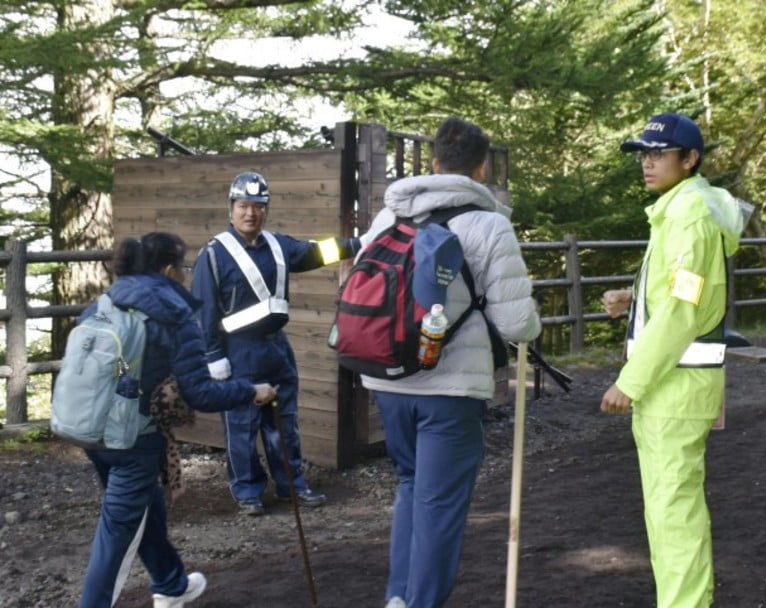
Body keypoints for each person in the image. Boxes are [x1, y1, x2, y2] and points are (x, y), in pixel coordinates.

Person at [356, 117, 541, 608]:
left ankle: (399, 598)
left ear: (434, 164)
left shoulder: (389, 217)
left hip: (389, 379)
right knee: (439, 505)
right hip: (451, 389)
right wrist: (532, 320)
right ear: (481, 168)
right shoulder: (490, 225)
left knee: (410, 486)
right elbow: (517, 324)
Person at [78, 232, 277, 608]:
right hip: (131, 438)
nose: (187, 274)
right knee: (118, 532)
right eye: (184, 267)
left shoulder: (106, 301)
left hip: (86, 427)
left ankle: (171, 586)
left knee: (146, 505)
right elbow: (200, 393)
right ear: (169, 270)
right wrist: (249, 391)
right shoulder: (174, 313)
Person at [600, 112, 748, 608]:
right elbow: (681, 294)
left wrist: (630, 381)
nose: (648, 163)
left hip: (674, 390)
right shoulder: (679, 210)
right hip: (674, 388)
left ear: (690, 159)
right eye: (643, 154)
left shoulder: (690, 216)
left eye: (659, 154)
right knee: (668, 512)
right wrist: (633, 298)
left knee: (674, 515)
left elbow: (683, 309)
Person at [190, 172, 362, 516]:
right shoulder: (213, 254)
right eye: (243, 206)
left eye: (258, 206)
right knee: (241, 426)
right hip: (237, 351)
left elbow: (318, 252)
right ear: (231, 207)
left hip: (276, 349)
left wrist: (360, 244)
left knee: (284, 423)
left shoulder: (278, 245)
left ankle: (291, 485)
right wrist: (213, 356)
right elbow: (204, 309)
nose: (250, 213)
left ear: (266, 209)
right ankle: (248, 491)